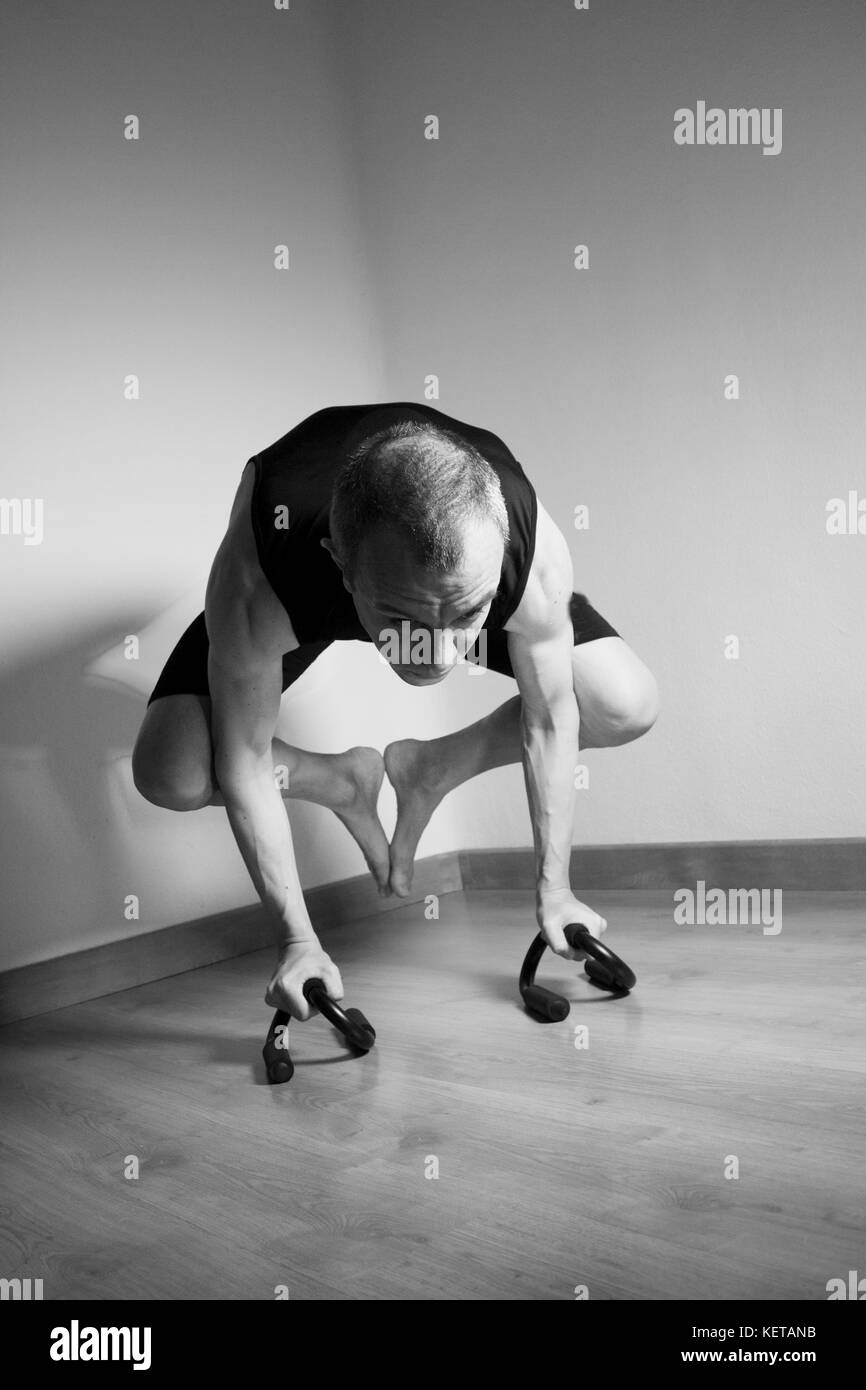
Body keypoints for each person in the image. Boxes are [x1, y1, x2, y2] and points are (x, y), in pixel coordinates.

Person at [132, 402, 659, 1021]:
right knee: (171, 772)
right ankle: (340, 780)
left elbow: (550, 717)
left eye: (466, 616)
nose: (437, 656)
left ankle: (431, 766)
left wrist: (556, 890)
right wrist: (297, 942)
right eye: (406, 623)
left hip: (431, 576)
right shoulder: (265, 571)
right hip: (311, 563)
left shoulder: (529, 551)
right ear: (340, 566)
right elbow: (243, 759)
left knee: (625, 702)